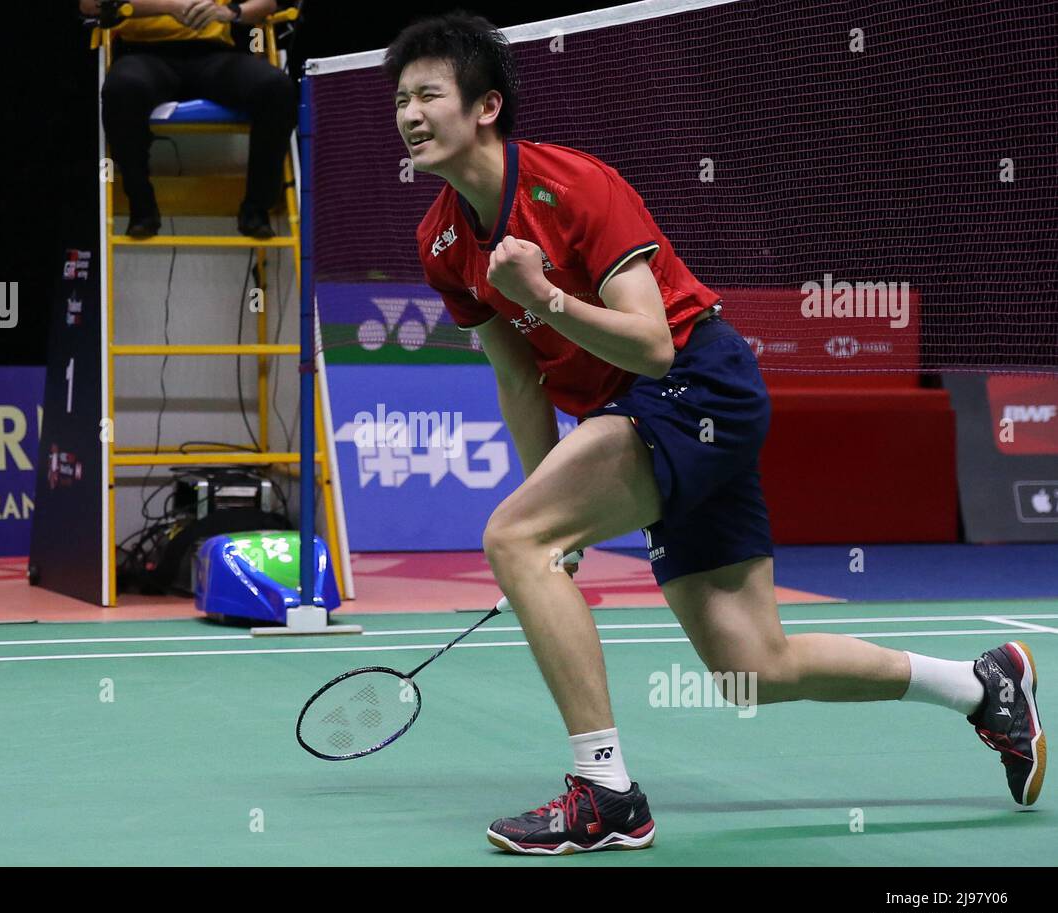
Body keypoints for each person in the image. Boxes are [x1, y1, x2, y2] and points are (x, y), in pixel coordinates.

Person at [386, 12, 1045, 855]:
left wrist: (544, 294)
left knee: (512, 538)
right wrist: (549, 494)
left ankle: (605, 793)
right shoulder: (441, 239)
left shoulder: (576, 186)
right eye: (401, 98)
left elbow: (653, 343)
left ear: (484, 106)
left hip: (695, 381)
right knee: (752, 668)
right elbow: (518, 377)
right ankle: (985, 686)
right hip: (634, 414)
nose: (409, 113)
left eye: (428, 94)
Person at [81, 0, 297, 239]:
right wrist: (168, 6)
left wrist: (230, 12)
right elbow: (90, 5)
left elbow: (267, 4)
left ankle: (256, 209)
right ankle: (142, 206)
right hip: (143, 53)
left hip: (214, 54)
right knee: (121, 90)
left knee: (276, 88)